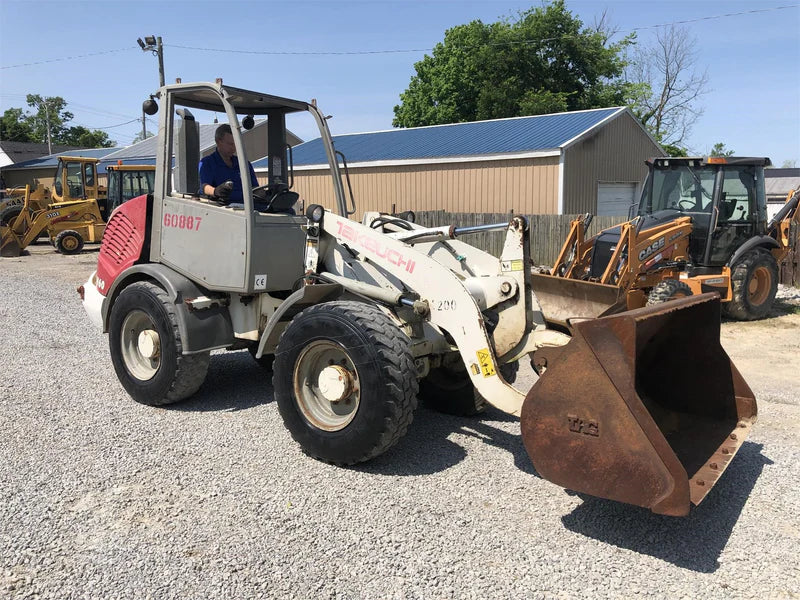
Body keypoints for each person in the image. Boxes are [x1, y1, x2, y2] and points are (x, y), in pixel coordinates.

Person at [199, 124, 258, 204]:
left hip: (249, 208)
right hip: (224, 209)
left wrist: (267, 193)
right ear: (218, 142)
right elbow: (203, 187)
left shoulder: (244, 164)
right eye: (230, 144)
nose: (234, 148)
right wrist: (216, 191)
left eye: (236, 144)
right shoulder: (208, 163)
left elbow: (255, 189)